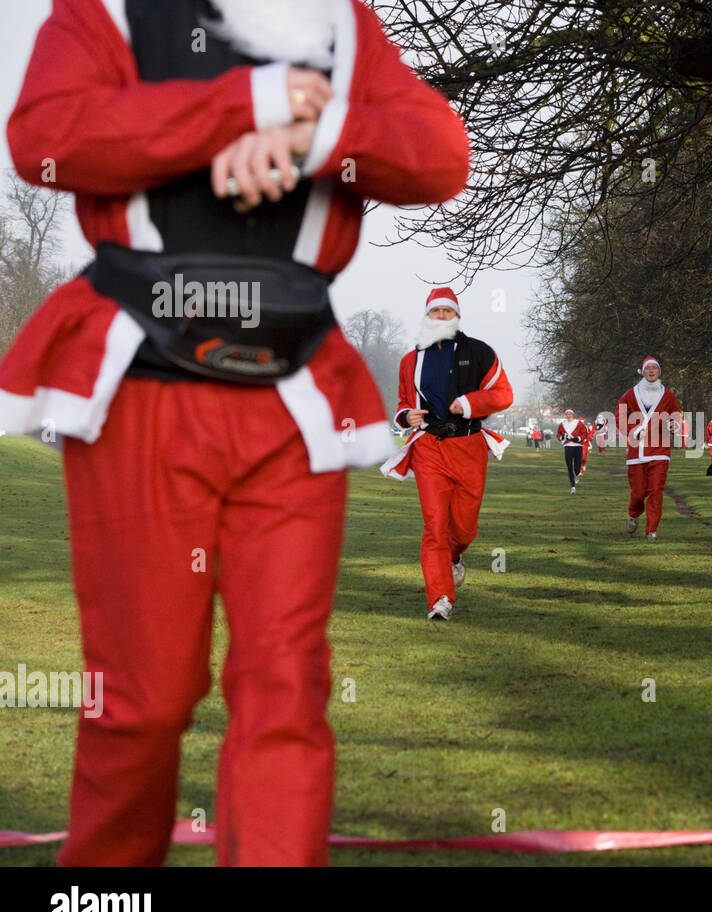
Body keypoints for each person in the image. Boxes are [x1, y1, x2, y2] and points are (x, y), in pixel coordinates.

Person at [0, 0, 469, 866]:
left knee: (285, 689)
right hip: (142, 387)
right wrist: (247, 105)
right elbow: (46, 135)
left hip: (292, 401)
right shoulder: (104, 9)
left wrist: (314, 133)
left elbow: (441, 155)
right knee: (142, 696)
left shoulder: (338, 21)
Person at [382, 287, 513, 620]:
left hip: (469, 446)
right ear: (426, 316)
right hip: (429, 448)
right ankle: (440, 599)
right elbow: (403, 402)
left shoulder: (480, 352)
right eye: (435, 311)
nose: (441, 317)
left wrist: (471, 403)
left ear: (457, 316)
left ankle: (455, 557)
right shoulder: (410, 360)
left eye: (447, 311)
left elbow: (503, 394)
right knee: (435, 526)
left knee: (465, 528)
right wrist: (405, 416)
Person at [616, 356, 680, 541]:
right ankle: (633, 514)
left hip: (660, 450)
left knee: (655, 489)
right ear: (642, 372)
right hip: (637, 452)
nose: (651, 371)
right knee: (638, 492)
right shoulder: (630, 394)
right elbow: (620, 416)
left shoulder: (667, 394)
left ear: (659, 372)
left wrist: (673, 426)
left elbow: (676, 414)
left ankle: (651, 530)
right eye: (648, 368)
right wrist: (634, 431)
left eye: (655, 368)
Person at [557, 408, 588, 493]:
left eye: (570, 414)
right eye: (567, 414)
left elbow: (585, 433)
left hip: (578, 446)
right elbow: (558, 434)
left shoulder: (579, 423)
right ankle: (572, 487)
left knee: (577, 467)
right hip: (568, 447)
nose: (568, 415)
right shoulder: (562, 424)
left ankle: (577, 475)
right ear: (565, 415)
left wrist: (578, 438)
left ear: (573, 415)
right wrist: (562, 437)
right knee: (569, 467)